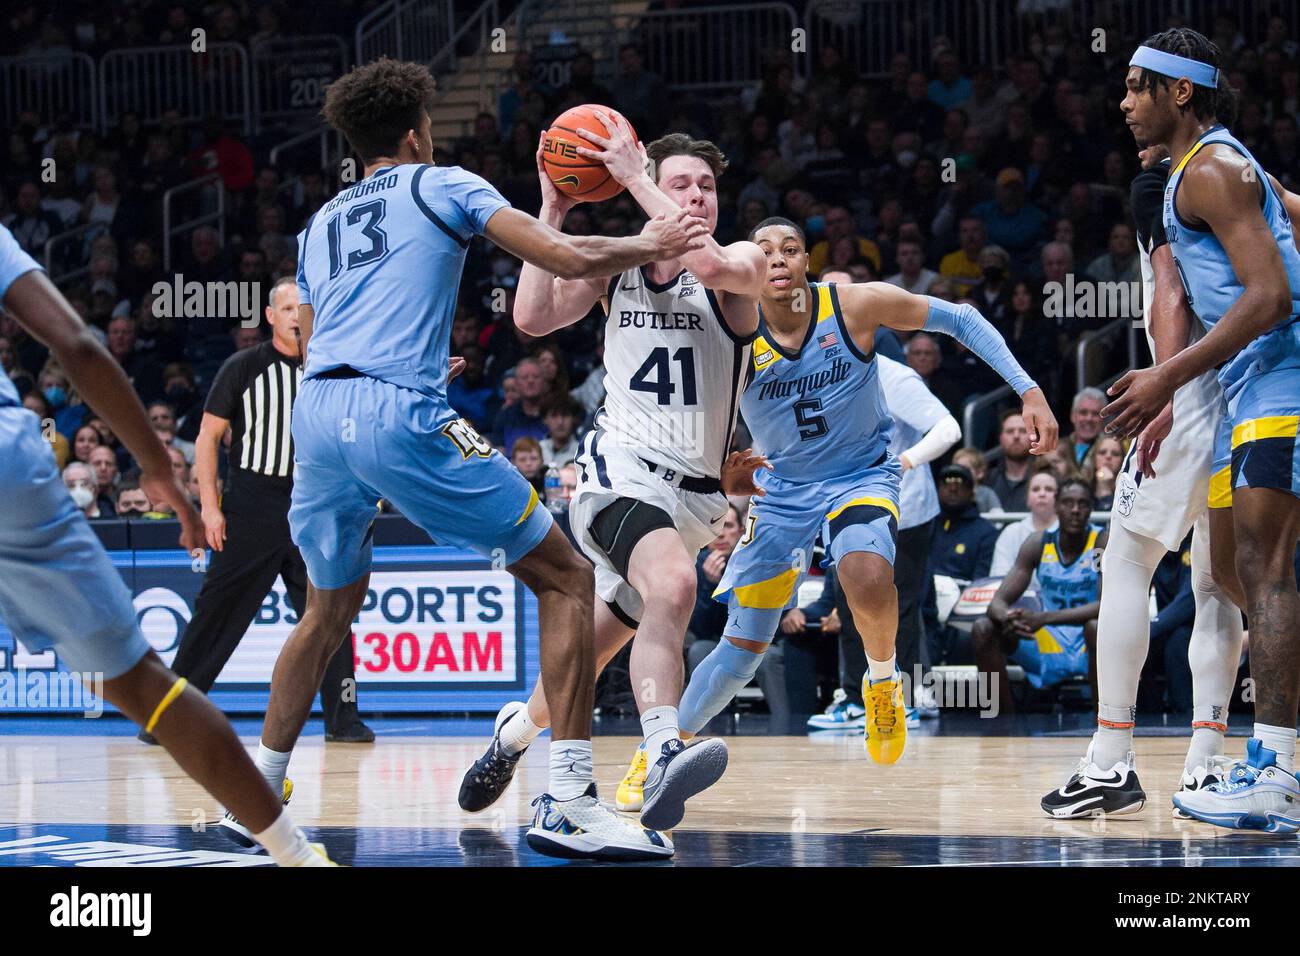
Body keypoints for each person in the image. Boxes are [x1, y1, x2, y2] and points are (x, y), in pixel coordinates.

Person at [246, 58, 709, 861]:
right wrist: (649, 238)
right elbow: (558, 259)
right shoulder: (442, 184)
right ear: (416, 132)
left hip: (316, 414)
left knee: (326, 613)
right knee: (566, 578)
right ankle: (568, 799)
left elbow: (321, 340)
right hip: (395, 410)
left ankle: (255, 792)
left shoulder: (319, 223)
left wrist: (397, 373)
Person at [457, 117, 769, 833]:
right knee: (677, 584)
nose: (697, 197)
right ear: (652, 187)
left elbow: (710, 263)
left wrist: (635, 178)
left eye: (708, 186)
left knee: (594, 648)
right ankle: (663, 748)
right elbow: (531, 317)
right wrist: (556, 211)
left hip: (694, 498)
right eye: (680, 184)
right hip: (617, 469)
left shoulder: (741, 263)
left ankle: (513, 734)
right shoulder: (615, 267)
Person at [0, 223, 333, 865]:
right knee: (149, 687)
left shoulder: (309, 368)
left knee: (320, 621)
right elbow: (78, 345)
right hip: (19, 478)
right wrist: (167, 479)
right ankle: (294, 855)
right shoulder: (244, 369)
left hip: (301, 498)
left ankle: (332, 735)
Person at [674, 217, 1053, 771]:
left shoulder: (854, 306)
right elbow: (700, 419)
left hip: (861, 475)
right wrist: (718, 472)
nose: (777, 259)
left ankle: (882, 682)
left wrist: (1029, 390)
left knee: (865, 571)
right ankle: (664, 746)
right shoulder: (730, 333)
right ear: (745, 269)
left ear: (807, 262)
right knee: (740, 653)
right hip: (781, 493)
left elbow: (961, 319)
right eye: (764, 252)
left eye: (790, 249)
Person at [1105, 29, 1300, 831]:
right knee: (1234, 568)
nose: (1122, 103)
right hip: (1248, 385)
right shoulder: (1223, 164)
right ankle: (1265, 759)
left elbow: (1269, 297)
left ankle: (1280, 773)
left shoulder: (1212, 170)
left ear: (1178, 92)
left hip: (1278, 380)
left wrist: (1163, 378)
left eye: (1134, 86)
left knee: (1268, 573)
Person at [145, 276, 372, 751]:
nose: (295, 317)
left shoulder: (331, 368)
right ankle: (168, 715)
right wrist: (209, 506)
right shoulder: (243, 366)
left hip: (316, 499)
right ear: (270, 316)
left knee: (330, 611)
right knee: (216, 612)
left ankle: (343, 719)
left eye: (301, 308)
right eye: (286, 309)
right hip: (253, 503)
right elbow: (207, 439)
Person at [974, 478, 1106, 718]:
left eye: (1082, 504)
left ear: (1091, 508)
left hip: (1089, 643)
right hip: (1049, 642)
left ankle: (1105, 724)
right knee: (984, 628)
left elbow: (1107, 605)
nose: (1075, 510)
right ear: (1056, 507)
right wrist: (1009, 618)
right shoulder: (1038, 543)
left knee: (1095, 627)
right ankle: (1004, 722)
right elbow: (998, 602)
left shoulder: (1099, 543)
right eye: (1067, 503)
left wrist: (1044, 617)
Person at [991, 470, 1058, 578]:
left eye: (1049, 489)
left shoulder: (1069, 531)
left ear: (1059, 498)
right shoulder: (1011, 533)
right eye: (1035, 489)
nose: (1042, 494)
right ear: (1027, 499)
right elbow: (999, 577)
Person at [983, 410, 1034, 510]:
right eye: (1010, 431)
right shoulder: (988, 479)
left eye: (1023, 431)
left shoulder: (1045, 478)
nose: (1016, 436)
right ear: (1001, 439)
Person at [952, 446, 1002, 513]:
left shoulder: (986, 493)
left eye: (966, 469)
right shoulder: (951, 492)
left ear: (979, 473)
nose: (961, 472)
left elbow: (999, 517)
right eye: (957, 468)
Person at [1065, 387, 1106, 464]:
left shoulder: (1112, 450)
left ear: (1103, 418)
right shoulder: (1057, 449)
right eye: (1083, 412)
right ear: (1073, 416)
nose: (1089, 418)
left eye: (1095, 413)